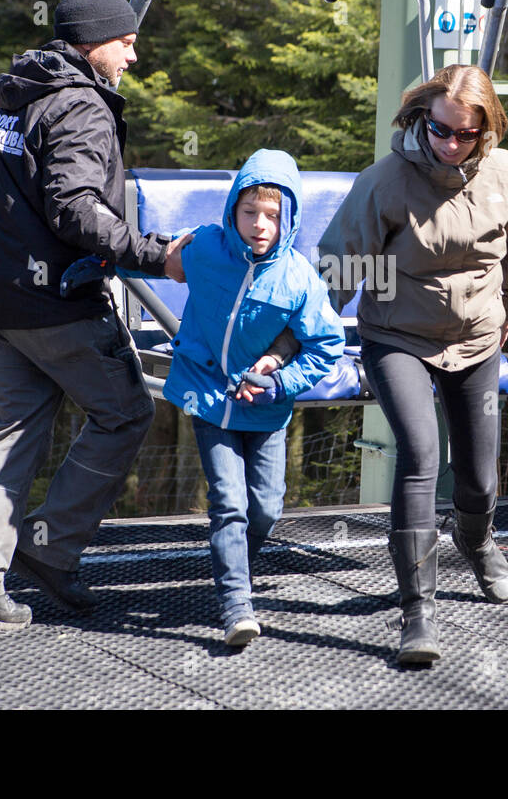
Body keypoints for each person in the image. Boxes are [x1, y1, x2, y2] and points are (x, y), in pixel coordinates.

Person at [0, 0, 190, 631]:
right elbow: (76, 208)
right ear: (94, 41)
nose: (133, 54)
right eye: (126, 42)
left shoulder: (15, 95)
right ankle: (48, 548)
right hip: (54, 302)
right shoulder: (79, 104)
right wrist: (157, 253)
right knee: (126, 410)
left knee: (16, 432)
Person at [317, 64, 508, 664]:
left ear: (485, 129)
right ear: (422, 116)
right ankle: (418, 611)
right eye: (438, 128)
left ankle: (478, 539)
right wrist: (293, 342)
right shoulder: (386, 181)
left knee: (478, 472)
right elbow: (338, 266)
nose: (446, 143)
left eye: (462, 134)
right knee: (420, 455)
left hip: (476, 338)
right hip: (398, 337)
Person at [162, 149, 344, 646]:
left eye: (272, 215)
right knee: (229, 503)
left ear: (290, 219)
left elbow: (326, 345)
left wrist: (279, 379)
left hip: (265, 409)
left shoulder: (299, 279)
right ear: (232, 211)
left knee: (265, 508)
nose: (260, 224)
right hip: (207, 395)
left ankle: (233, 562)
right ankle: (236, 603)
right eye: (249, 212)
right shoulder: (205, 247)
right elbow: (166, 261)